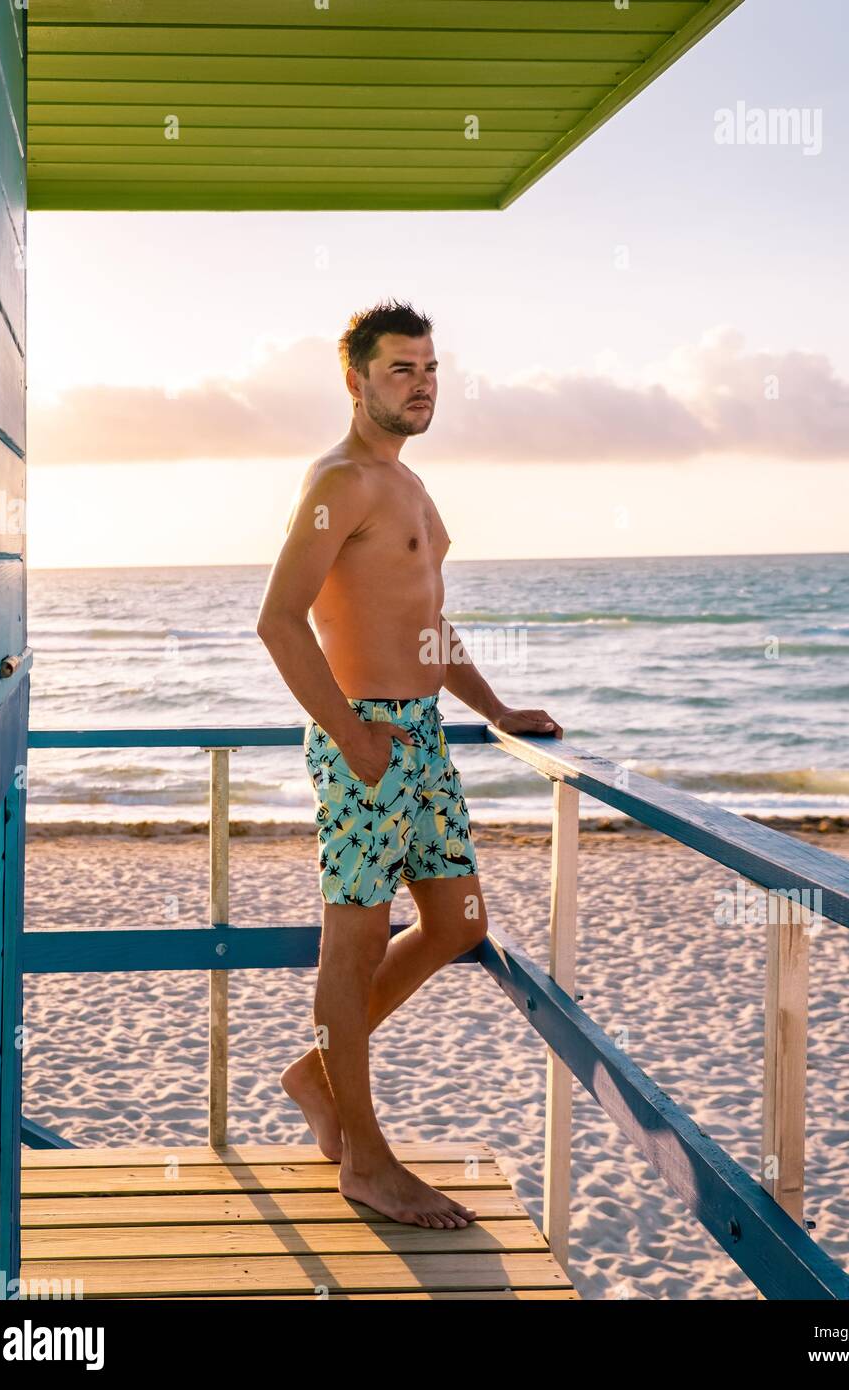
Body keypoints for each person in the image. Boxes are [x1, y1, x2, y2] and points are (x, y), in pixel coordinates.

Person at [257, 299, 562, 1230]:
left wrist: (496, 707)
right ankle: (367, 1159)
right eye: (401, 369)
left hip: (421, 735)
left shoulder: (414, 487)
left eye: (430, 369)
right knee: (352, 942)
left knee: (459, 920)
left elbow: (426, 622)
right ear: (354, 381)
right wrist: (354, 738)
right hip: (368, 741)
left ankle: (314, 1074)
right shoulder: (340, 479)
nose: (422, 384)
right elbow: (279, 619)